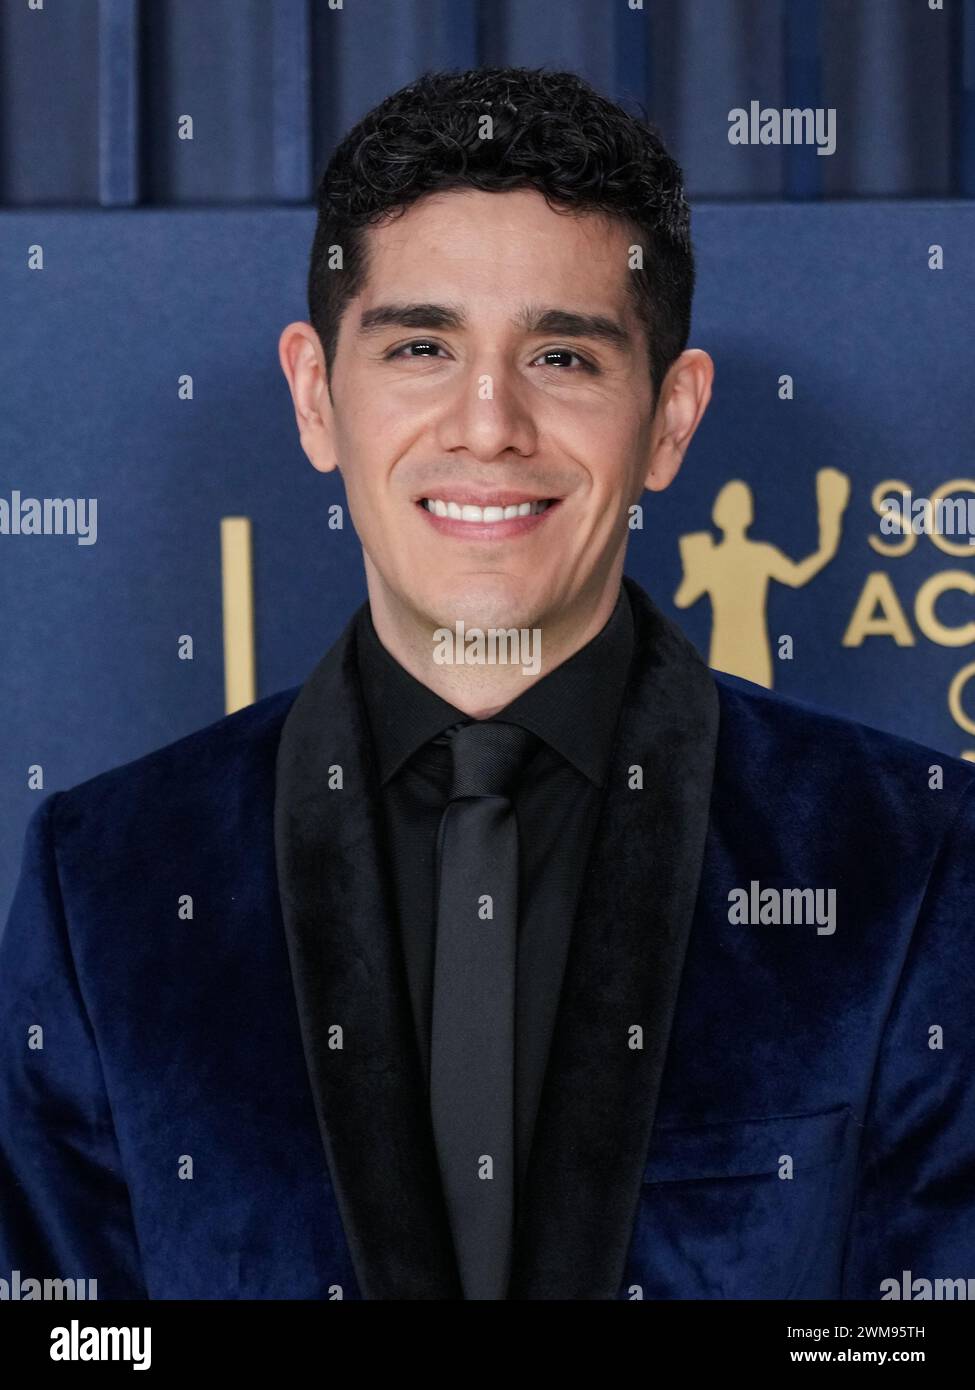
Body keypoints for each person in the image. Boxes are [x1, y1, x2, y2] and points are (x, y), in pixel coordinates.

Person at [1, 66, 973, 1302]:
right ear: (317, 396)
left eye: (563, 356)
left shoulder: (912, 856)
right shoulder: (109, 881)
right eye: (420, 345)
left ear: (669, 421)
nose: (488, 424)